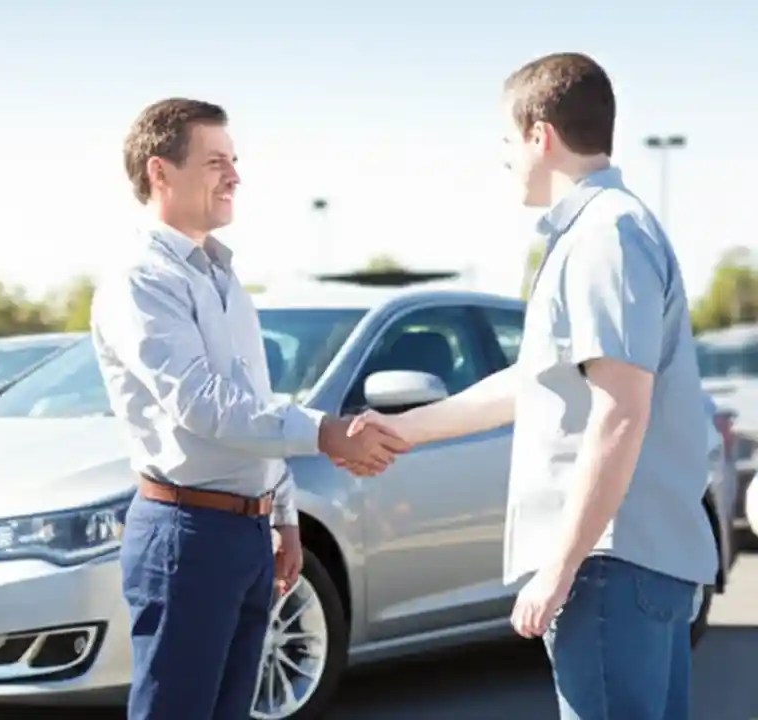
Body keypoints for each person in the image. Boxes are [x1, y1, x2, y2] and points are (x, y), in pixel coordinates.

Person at [351, 52, 717, 719]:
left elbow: (619, 414)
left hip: (609, 566)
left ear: (539, 135)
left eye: (507, 138)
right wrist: (402, 428)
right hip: (629, 562)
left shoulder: (605, 235)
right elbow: (534, 383)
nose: (504, 155)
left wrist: (561, 566)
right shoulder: (604, 231)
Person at [90, 97, 410, 720]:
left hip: (243, 533)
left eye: (233, 160)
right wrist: (326, 432)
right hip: (186, 536)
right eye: (216, 162)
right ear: (161, 172)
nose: (235, 176)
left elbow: (255, 406)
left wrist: (282, 514)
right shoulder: (142, 278)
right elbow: (203, 405)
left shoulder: (222, 277)